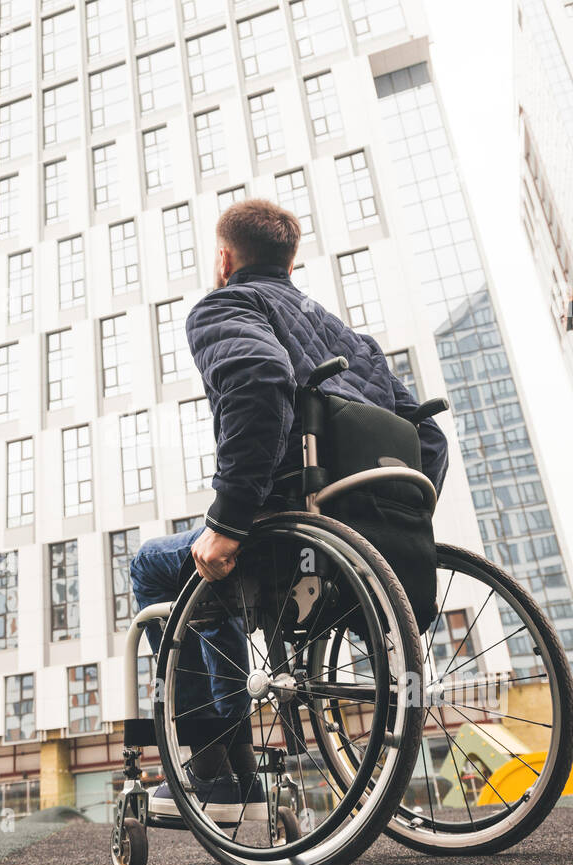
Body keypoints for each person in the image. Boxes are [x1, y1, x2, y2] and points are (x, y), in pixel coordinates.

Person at [132, 198, 449, 820]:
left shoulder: (226, 306)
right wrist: (395, 518)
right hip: (366, 546)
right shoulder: (353, 341)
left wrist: (227, 524)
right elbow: (427, 438)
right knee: (197, 564)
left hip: (284, 536)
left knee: (154, 565)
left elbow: (257, 377)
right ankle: (229, 776)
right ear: (292, 262)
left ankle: (219, 774)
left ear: (224, 259)